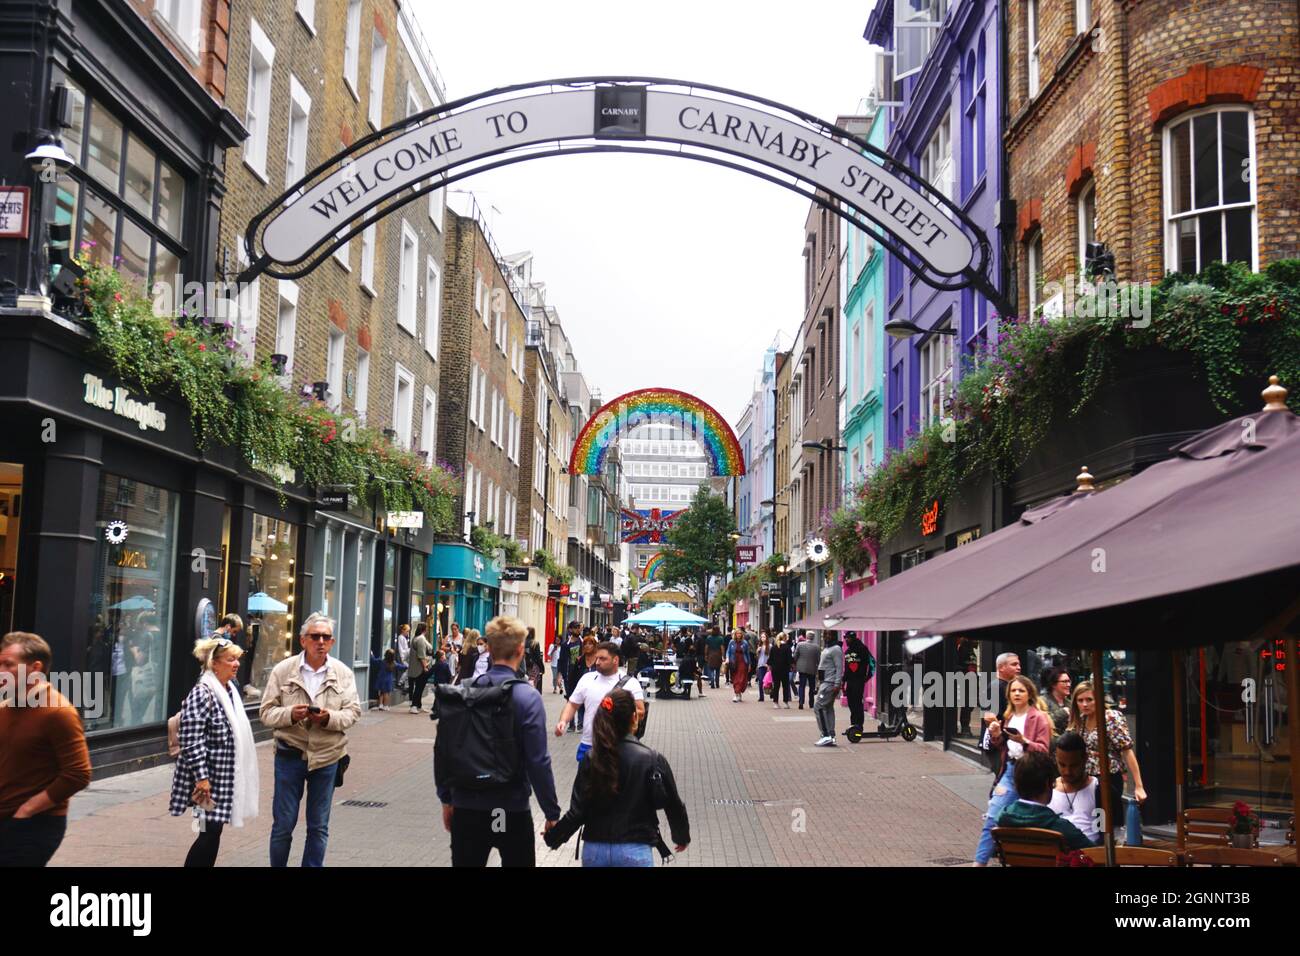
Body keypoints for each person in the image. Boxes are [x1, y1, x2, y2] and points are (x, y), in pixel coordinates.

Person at [436, 616, 560, 867]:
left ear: (489, 649)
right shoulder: (527, 697)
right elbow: (538, 761)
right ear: (520, 650)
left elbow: (444, 749)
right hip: (508, 807)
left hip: (467, 806)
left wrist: (446, 798)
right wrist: (551, 812)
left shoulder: (466, 692)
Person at [259, 612, 361, 867]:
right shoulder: (284, 671)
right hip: (289, 754)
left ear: (332, 642)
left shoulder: (342, 673)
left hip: (327, 757)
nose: (321, 642)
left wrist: (328, 718)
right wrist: (290, 715)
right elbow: (265, 712)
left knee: (318, 826)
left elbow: (353, 712)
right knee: (283, 824)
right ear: (302, 640)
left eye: (326, 637)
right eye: (315, 636)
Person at [545, 689, 689, 866]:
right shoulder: (652, 759)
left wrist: (554, 837)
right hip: (636, 849)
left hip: (596, 848)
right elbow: (673, 804)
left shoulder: (592, 758)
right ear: (634, 718)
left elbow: (578, 811)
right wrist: (681, 836)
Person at [0, 632, 92, 866]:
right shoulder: (6, 706)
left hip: (32, 825)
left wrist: (28, 810)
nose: (1, 670)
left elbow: (78, 774)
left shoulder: (58, 712)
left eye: (8, 664)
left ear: (35, 668)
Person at [169, 636, 259, 866]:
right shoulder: (203, 693)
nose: (236, 664)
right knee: (208, 834)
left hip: (220, 781)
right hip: (206, 783)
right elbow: (191, 739)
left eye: (237, 659)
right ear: (214, 663)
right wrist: (201, 778)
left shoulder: (228, 692)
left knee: (212, 832)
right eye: (231, 659)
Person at [974, 674, 1052, 866]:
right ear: (1008, 695)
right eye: (1014, 690)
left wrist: (1024, 741)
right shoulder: (1008, 716)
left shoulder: (1038, 718)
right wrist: (996, 735)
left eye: (1021, 690)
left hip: (1031, 775)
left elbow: (1044, 750)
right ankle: (979, 863)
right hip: (1010, 772)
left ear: (1029, 694)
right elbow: (1002, 747)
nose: (1017, 694)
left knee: (1029, 823)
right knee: (993, 817)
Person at [1067, 681, 1146, 836]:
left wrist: (1138, 785)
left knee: (1106, 826)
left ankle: (1109, 853)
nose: (1085, 704)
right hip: (1086, 780)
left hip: (1108, 778)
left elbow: (1127, 751)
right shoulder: (1080, 721)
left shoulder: (1111, 718)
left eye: (1089, 699)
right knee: (1091, 826)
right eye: (1080, 700)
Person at [556, 642, 645, 763]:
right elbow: (572, 704)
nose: (597, 662)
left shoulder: (630, 683)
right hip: (588, 744)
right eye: (597, 658)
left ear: (615, 660)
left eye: (602, 659)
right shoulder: (587, 679)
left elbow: (640, 711)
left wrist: (617, 712)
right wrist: (563, 721)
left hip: (617, 746)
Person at [994, 751, 1093, 852]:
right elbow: (1094, 852)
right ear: (1047, 784)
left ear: (1017, 783)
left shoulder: (1002, 818)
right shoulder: (1061, 827)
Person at [1049, 731, 1102, 846]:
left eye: (1074, 765)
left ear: (1085, 759)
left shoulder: (1100, 790)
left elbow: (1107, 831)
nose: (1067, 771)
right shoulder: (1047, 790)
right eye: (1062, 765)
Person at [980, 652, 1022, 768]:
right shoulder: (996, 686)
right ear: (1001, 667)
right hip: (997, 747)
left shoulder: (1009, 686)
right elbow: (989, 717)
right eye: (1014, 664)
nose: (1019, 667)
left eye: (1019, 664)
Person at [813, 632, 844, 746]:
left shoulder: (836, 649)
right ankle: (830, 735)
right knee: (828, 708)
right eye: (824, 635)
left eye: (828, 635)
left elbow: (839, 667)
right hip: (824, 682)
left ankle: (826, 735)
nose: (825, 637)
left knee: (819, 707)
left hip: (829, 683)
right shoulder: (828, 648)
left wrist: (837, 683)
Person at [842, 632, 874, 733]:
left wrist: (867, 677)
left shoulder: (862, 649)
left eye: (848, 638)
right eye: (845, 638)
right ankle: (853, 724)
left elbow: (872, 663)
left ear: (853, 638)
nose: (846, 640)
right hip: (850, 682)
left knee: (857, 703)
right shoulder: (847, 651)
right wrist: (843, 681)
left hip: (859, 681)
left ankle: (859, 725)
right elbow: (847, 668)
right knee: (851, 703)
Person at [408, 624, 433, 713]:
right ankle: (414, 705)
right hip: (420, 668)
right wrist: (425, 666)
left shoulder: (416, 638)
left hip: (416, 667)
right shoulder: (421, 639)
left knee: (420, 686)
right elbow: (421, 655)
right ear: (424, 629)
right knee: (419, 687)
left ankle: (418, 705)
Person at [793, 632, 821, 710]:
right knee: (812, 687)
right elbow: (819, 659)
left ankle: (801, 702)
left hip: (802, 668)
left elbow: (795, 656)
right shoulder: (817, 647)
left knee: (802, 685)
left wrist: (794, 663)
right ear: (813, 637)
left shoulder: (800, 645)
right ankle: (811, 703)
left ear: (806, 636)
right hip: (812, 669)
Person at [1041, 667, 1071, 736]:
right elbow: (1042, 723)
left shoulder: (1070, 703)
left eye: (1069, 681)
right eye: (1064, 682)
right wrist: (1062, 713)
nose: (1068, 685)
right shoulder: (1042, 702)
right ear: (1053, 685)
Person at [767, 632, 793, 709]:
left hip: (775, 670)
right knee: (785, 686)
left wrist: (769, 666)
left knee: (776, 686)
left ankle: (776, 702)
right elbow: (789, 659)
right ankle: (785, 702)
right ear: (785, 638)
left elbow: (770, 659)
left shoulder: (774, 647)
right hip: (784, 669)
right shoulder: (787, 647)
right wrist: (792, 665)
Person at [726, 630, 753, 702]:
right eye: (737, 633)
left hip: (743, 661)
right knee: (734, 678)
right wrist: (727, 658)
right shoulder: (731, 642)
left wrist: (749, 664)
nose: (739, 635)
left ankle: (737, 694)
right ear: (735, 634)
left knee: (741, 677)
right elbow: (728, 651)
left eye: (740, 633)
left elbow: (747, 654)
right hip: (733, 661)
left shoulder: (745, 643)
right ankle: (738, 693)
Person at [755, 633, 771, 702]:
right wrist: (757, 651)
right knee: (761, 681)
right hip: (760, 665)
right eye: (761, 637)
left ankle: (771, 693)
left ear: (766, 638)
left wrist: (769, 665)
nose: (762, 638)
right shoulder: (760, 646)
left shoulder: (770, 646)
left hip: (767, 665)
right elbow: (757, 656)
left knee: (769, 681)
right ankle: (761, 696)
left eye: (764, 637)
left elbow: (771, 656)